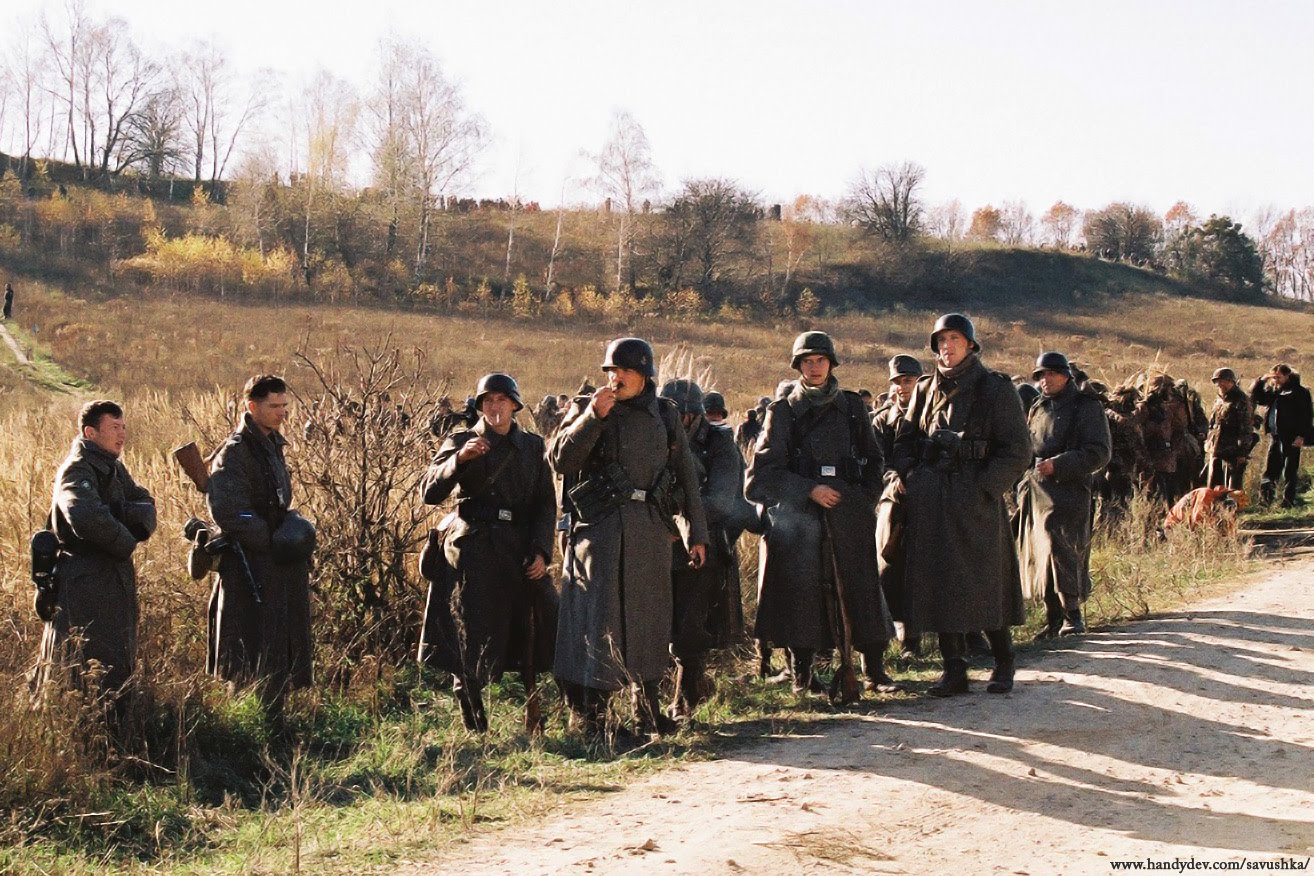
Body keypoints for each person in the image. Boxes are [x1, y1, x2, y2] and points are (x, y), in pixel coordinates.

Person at [550, 338, 709, 739]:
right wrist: (591, 418)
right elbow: (560, 460)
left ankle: (648, 711)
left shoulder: (664, 413)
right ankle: (595, 718)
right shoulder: (589, 405)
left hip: (649, 530)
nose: (615, 378)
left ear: (644, 375)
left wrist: (696, 533)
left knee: (649, 621)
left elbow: (686, 476)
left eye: (624, 371)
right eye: (610, 371)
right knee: (599, 621)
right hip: (599, 533)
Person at [747, 331, 894, 700]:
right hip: (800, 519)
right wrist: (809, 490)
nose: (814, 368)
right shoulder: (782, 412)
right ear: (798, 367)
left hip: (849, 515)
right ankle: (803, 675)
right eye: (807, 362)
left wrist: (862, 498)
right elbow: (762, 475)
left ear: (831, 363)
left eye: (820, 360)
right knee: (801, 597)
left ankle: (873, 670)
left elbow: (875, 460)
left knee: (861, 590)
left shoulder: (852, 407)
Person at [892, 314, 1031, 696]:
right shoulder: (924, 389)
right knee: (937, 583)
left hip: (975, 502)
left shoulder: (995, 389)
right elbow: (904, 441)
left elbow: (1018, 451)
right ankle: (953, 668)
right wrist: (913, 478)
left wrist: (983, 488)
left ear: (970, 344)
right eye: (941, 341)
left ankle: (1003, 661)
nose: (947, 347)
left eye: (954, 339)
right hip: (932, 498)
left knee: (984, 582)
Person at [417, 373, 557, 732]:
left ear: (514, 404)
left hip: (518, 549)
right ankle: (474, 724)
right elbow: (429, 491)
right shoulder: (461, 439)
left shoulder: (532, 446)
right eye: (488, 402)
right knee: (469, 634)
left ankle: (555, 709)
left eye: (501, 400)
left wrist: (542, 551)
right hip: (472, 550)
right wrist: (459, 461)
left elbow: (545, 504)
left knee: (547, 619)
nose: (495, 408)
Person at [32, 400, 156, 719]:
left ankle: (114, 725)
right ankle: (83, 732)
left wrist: (128, 518)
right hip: (85, 582)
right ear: (91, 432)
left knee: (114, 659)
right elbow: (85, 516)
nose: (122, 434)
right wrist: (126, 539)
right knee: (82, 662)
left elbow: (143, 501)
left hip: (110, 579)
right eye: (114, 428)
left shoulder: (111, 466)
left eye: (124, 427)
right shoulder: (78, 469)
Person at [207, 375, 316, 723]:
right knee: (247, 646)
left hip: (277, 563)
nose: (282, 413)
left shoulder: (271, 445)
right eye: (274, 406)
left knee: (278, 643)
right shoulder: (235, 452)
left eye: (285, 406)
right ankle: (246, 726)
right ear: (252, 407)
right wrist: (270, 542)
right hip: (249, 565)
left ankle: (275, 718)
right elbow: (228, 512)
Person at [659, 378, 756, 720]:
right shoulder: (656, 439)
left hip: (704, 545)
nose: (679, 421)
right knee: (658, 624)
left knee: (690, 626)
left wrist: (683, 522)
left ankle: (686, 696)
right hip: (659, 543)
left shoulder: (719, 443)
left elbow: (721, 500)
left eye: (684, 414)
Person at [1015, 353, 1112, 638]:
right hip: (1036, 490)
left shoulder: (1086, 406)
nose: (1045, 380)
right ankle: (1052, 619)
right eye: (1041, 376)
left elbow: (1099, 452)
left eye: (1051, 374)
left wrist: (1059, 464)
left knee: (1064, 551)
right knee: (1039, 554)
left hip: (1069, 490)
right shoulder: (1039, 406)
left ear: (1066, 376)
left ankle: (1073, 615)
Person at [873, 354, 924, 659]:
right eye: (898, 382)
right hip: (893, 505)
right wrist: (893, 480)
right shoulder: (881, 420)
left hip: (928, 501)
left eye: (908, 380)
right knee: (889, 569)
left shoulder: (932, 414)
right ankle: (897, 638)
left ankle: (925, 639)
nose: (903, 387)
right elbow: (878, 460)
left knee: (928, 570)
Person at [1251, 364, 1314, 506]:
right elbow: (1258, 397)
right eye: (1274, 377)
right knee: (1270, 470)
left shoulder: (1300, 392)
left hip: (1292, 437)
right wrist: (1261, 381)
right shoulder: (1275, 391)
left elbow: (1306, 416)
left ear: (1287, 375)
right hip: (1275, 436)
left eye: (1278, 377)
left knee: (1290, 471)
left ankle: (1288, 501)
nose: (1276, 380)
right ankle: (1265, 501)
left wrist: (1301, 436)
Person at [1139, 374, 1190, 505]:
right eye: (1168, 389)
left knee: (1167, 497)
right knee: (1153, 496)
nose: (1171, 393)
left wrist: (1173, 448)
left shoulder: (1166, 409)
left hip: (1167, 459)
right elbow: (1139, 435)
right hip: (1151, 460)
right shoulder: (1143, 408)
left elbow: (1178, 429)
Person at [1204, 368, 1254, 491]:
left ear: (1231, 381)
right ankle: (1216, 508)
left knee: (1233, 485)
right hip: (1216, 447)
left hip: (1233, 448)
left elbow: (1246, 427)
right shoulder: (1219, 400)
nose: (1220, 384)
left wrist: (1242, 452)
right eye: (1217, 381)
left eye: (1223, 381)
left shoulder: (1241, 400)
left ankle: (1231, 509)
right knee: (1214, 483)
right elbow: (1212, 423)